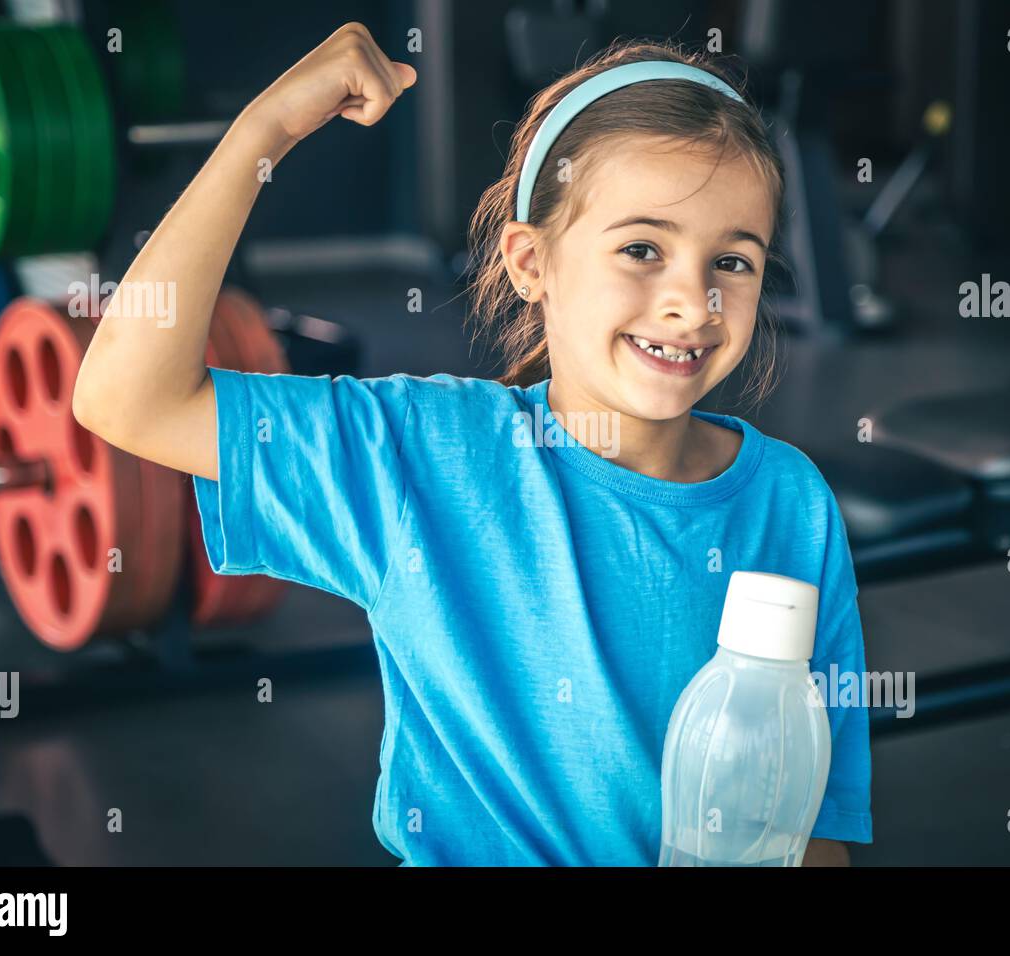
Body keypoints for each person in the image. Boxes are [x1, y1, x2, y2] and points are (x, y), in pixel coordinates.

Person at [73, 22, 872, 867]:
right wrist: (261, 134)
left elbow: (814, 826)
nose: (693, 301)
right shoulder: (425, 460)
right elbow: (128, 397)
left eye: (734, 262)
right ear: (532, 263)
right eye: (642, 248)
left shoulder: (792, 503)